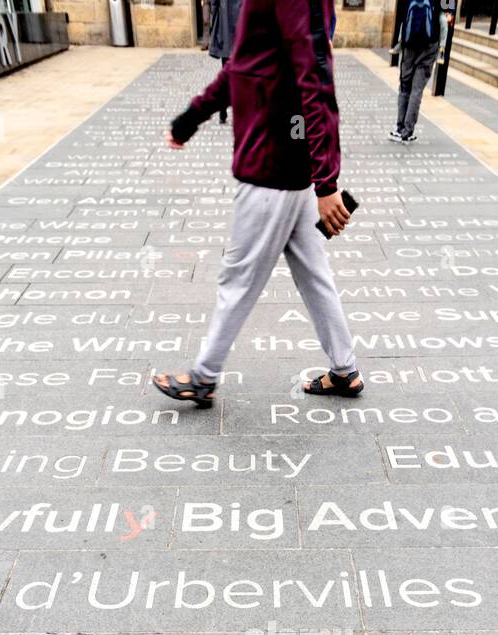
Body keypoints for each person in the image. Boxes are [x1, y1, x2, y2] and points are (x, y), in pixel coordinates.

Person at [153, 0, 363, 409]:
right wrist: (190, 118)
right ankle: (344, 369)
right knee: (314, 273)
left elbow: (316, 78)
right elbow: (240, 67)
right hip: (279, 163)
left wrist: (326, 183)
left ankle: (203, 377)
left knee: (238, 276)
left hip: (272, 165)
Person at [390, 0, 453, 143]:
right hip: (429, 46)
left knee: (405, 87)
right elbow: (444, 18)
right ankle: (407, 131)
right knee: (416, 89)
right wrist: (441, 48)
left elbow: (402, 17)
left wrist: (400, 42)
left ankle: (399, 128)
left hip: (409, 45)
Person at [208, 0, 242, 123]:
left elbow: (214, 4)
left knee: (226, 72)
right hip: (242, 25)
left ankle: (223, 110)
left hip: (225, 26)